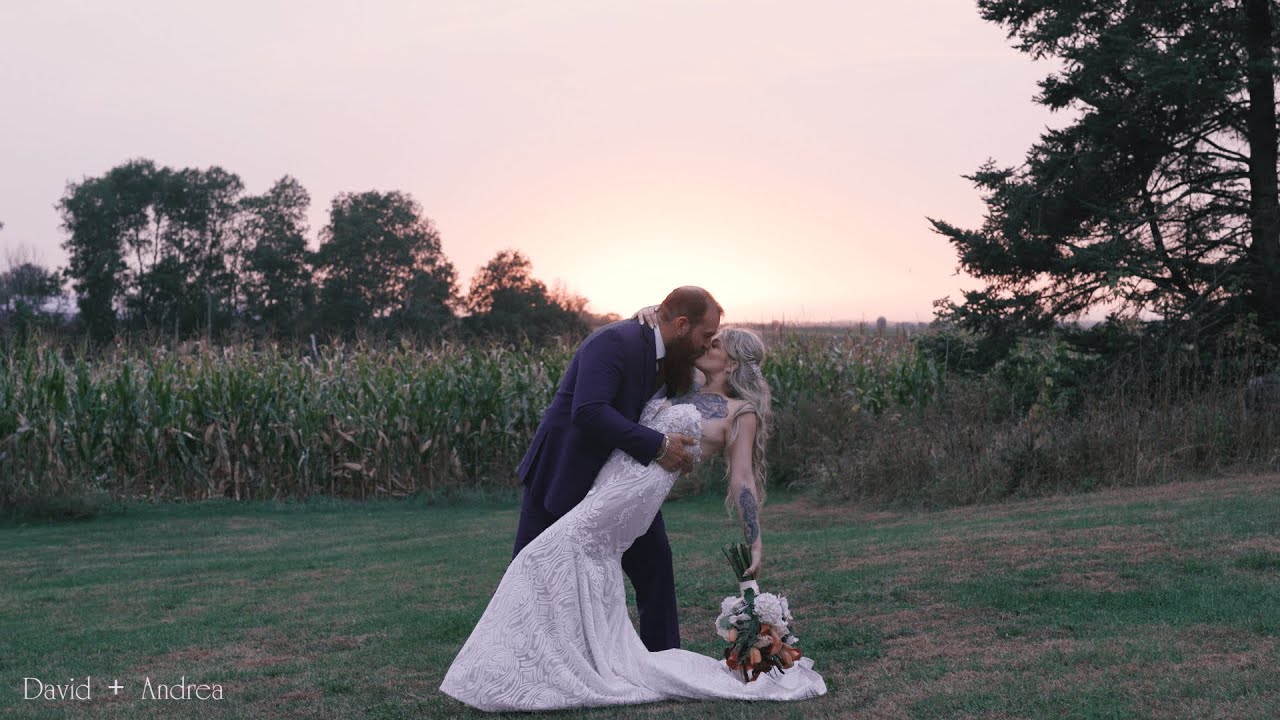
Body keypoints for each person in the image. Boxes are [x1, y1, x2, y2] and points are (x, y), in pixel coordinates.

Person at [440, 321, 826, 711]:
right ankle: (545, 663)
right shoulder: (679, 386)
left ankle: (529, 668)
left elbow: (742, 479)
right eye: (710, 338)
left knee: (539, 559)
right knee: (550, 564)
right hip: (605, 488)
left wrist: (754, 540)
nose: (708, 343)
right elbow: (658, 342)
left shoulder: (741, 413)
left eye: (718, 343)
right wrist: (645, 314)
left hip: (629, 505)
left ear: (733, 363)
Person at [511, 286, 720, 652]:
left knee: (654, 560)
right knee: (530, 572)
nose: (708, 344)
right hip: (563, 472)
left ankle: (664, 657)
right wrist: (658, 446)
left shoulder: (674, 355)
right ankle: (517, 656)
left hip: (619, 481)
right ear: (683, 325)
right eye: (707, 335)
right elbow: (589, 411)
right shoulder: (612, 342)